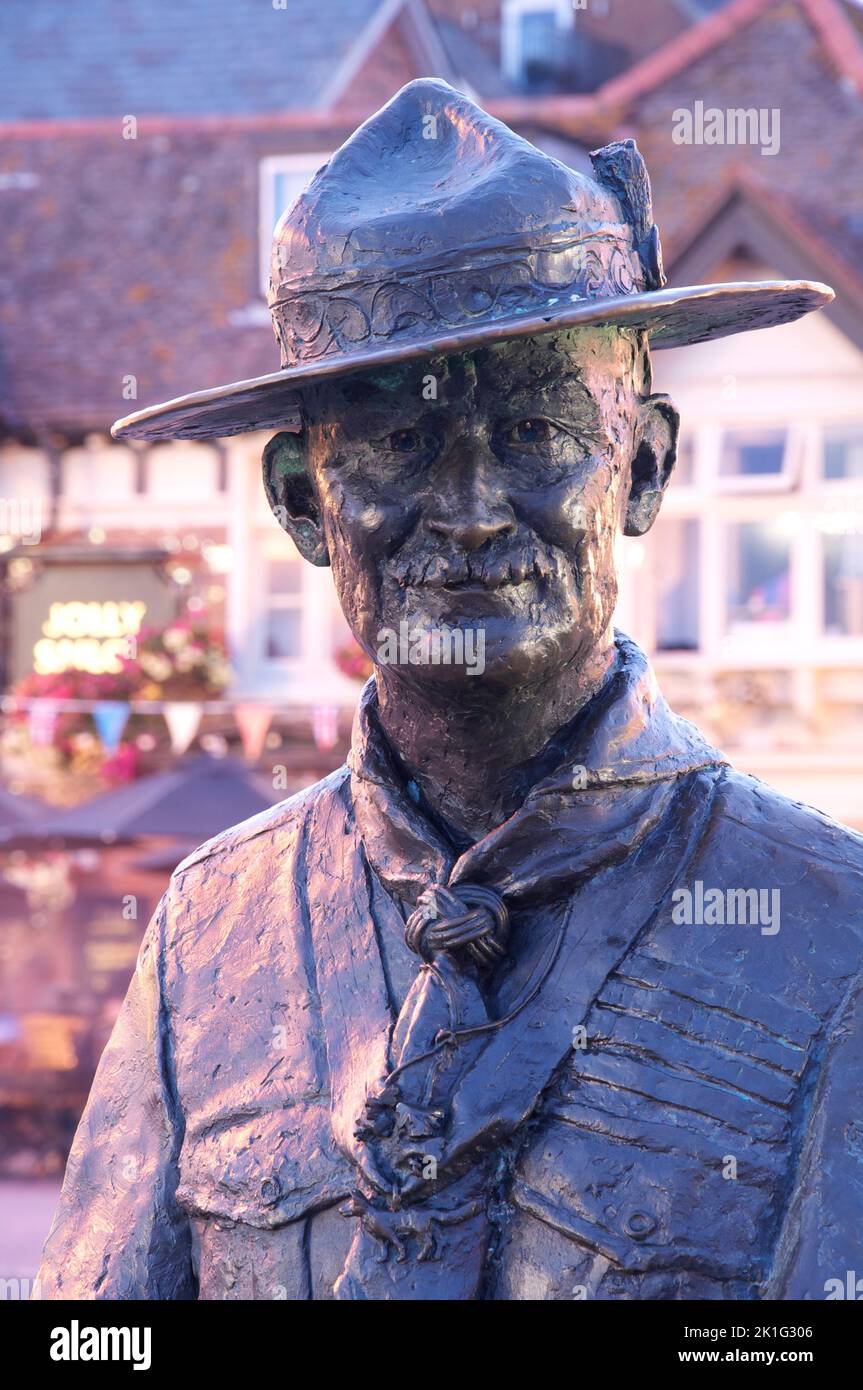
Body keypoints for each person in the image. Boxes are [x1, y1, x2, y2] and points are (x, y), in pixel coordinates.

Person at [37, 80, 862, 1301]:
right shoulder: (207, 936)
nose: (470, 512)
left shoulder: (828, 936)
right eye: (400, 446)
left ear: (640, 469)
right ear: (303, 503)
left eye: (534, 436)